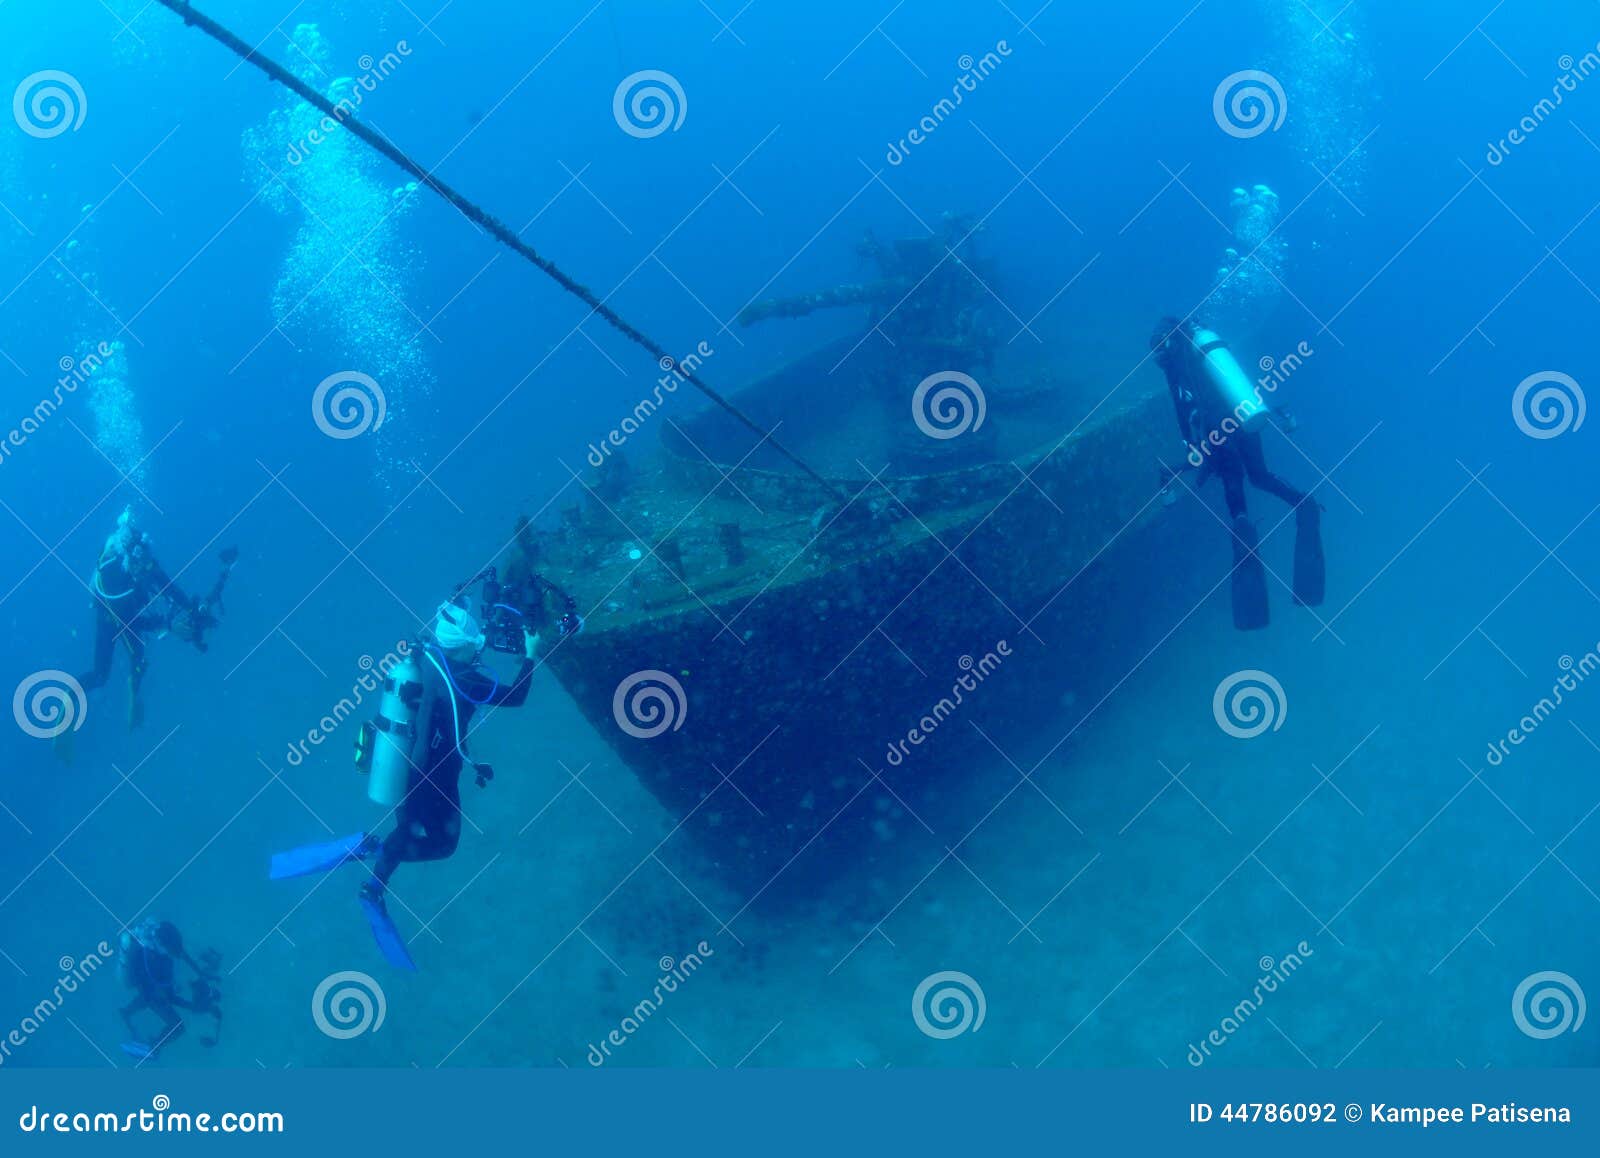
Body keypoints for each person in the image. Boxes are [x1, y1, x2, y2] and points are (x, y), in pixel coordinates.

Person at [269, 600, 546, 970]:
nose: (478, 645)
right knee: (443, 844)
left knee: (408, 829)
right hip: (435, 777)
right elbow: (516, 696)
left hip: (404, 769)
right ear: (460, 645)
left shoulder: (427, 660)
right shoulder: (463, 678)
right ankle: (372, 875)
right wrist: (530, 654)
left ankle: (374, 858)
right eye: (473, 641)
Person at [1151, 317, 1323, 630]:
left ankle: (1244, 532)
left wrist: (1193, 446)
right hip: (1244, 416)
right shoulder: (1205, 349)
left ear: (1165, 346)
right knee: (1260, 475)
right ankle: (1303, 503)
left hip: (1216, 427)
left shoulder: (1177, 364)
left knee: (1234, 483)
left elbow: (1183, 409)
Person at [78, 507, 238, 728]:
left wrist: (193, 609)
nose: (144, 570)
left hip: (130, 615)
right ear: (128, 562)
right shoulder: (113, 577)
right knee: (100, 676)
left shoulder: (146, 563)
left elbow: (169, 588)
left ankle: (133, 692)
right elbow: (129, 623)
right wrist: (168, 624)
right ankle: (71, 695)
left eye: (146, 563)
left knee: (140, 661)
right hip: (111, 618)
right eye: (139, 566)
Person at [117, 918, 222, 1060]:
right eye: (171, 950)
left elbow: (181, 953)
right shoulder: (153, 962)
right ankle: (152, 1048)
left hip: (155, 988)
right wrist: (195, 1006)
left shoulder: (168, 943)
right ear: (161, 945)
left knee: (159, 997)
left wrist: (201, 973)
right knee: (178, 1027)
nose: (175, 952)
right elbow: (168, 997)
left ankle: (127, 1012)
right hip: (151, 992)